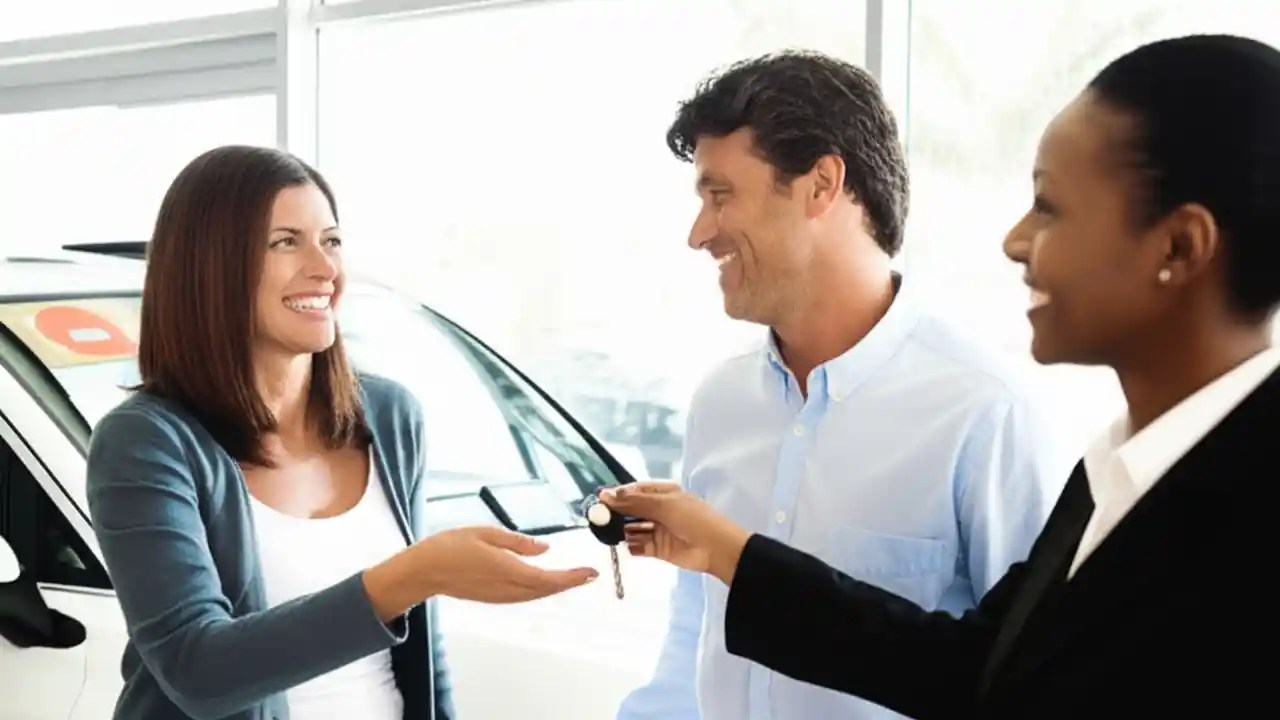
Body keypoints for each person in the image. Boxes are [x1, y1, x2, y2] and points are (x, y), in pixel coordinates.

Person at [602, 33, 1279, 718]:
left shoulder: (998, 412)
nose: (1015, 240)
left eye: (1050, 205)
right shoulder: (1110, 475)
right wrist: (729, 555)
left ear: (1180, 245)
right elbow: (975, 668)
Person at [616, 51, 1074, 720]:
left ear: (821, 184)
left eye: (721, 195)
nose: (699, 234)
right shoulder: (721, 403)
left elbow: (1032, 676)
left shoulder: (984, 412)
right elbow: (694, 638)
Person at [85, 145, 599, 720]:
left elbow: (423, 662)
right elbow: (197, 670)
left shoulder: (389, 415)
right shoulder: (145, 444)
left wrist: (417, 584)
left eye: (331, 240)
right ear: (211, 265)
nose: (325, 269)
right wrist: (413, 575)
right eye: (286, 242)